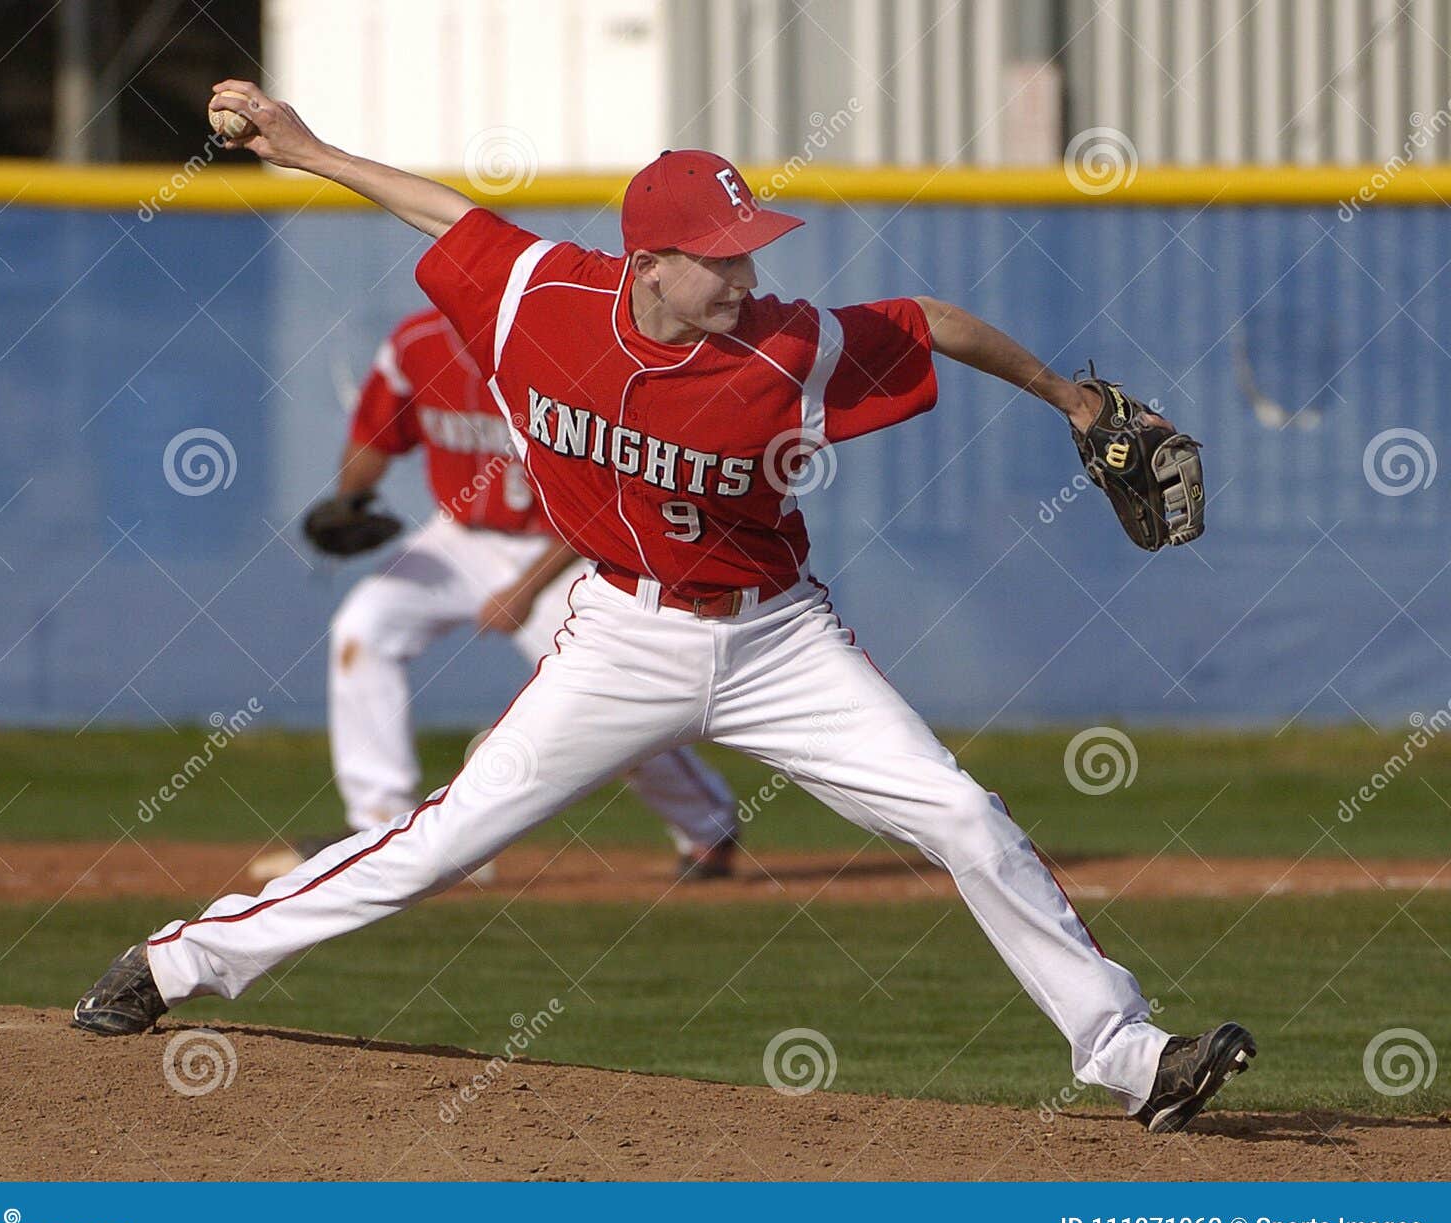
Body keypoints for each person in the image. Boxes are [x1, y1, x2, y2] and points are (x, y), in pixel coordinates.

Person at [74, 80, 1255, 1134]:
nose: (746, 276)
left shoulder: (788, 344)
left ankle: (1135, 1058)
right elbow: (442, 214)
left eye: (749, 251)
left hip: (778, 636)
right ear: (647, 263)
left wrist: (1066, 399)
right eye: (721, 257)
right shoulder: (541, 294)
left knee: (963, 817)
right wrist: (309, 147)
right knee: (436, 843)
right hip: (621, 636)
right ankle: (182, 962)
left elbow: (928, 321)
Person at [246, 304, 740, 884]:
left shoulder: (572, 351)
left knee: (607, 689)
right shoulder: (418, 343)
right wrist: (348, 499)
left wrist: (525, 590)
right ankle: (380, 825)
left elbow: (610, 495)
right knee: (364, 626)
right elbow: (374, 434)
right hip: (457, 536)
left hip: (563, 547)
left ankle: (707, 825)